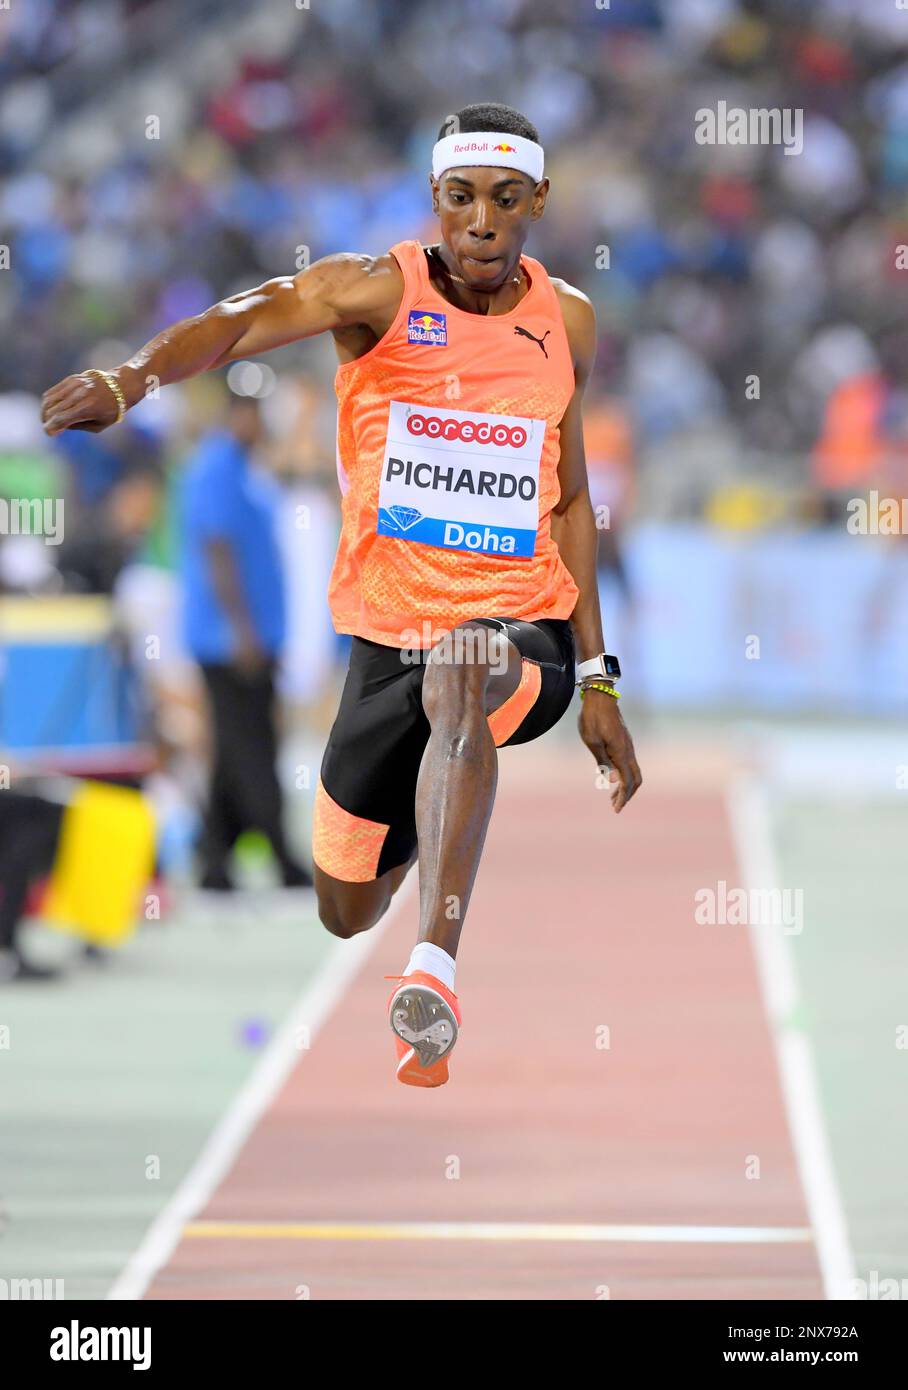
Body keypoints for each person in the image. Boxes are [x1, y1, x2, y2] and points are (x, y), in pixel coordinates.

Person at [41, 102, 642, 1086]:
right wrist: (135, 375)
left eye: (503, 200)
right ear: (433, 201)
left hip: (515, 636)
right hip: (383, 641)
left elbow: (569, 495)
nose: (480, 221)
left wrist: (596, 677)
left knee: (465, 663)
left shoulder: (564, 318)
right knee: (341, 905)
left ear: (539, 200)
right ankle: (429, 810)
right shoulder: (374, 294)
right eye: (459, 199)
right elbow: (244, 321)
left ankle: (435, 970)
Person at [179, 393, 311, 891]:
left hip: (245, 634)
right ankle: (280, 854)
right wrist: (242, 632)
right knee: (255, 746)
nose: (258, 422)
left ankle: (214, 857)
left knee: (236, 748)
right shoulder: (217, 465)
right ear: (235, 414)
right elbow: (216, 547)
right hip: (229, 639)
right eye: (250, 412)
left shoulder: (242, 465)